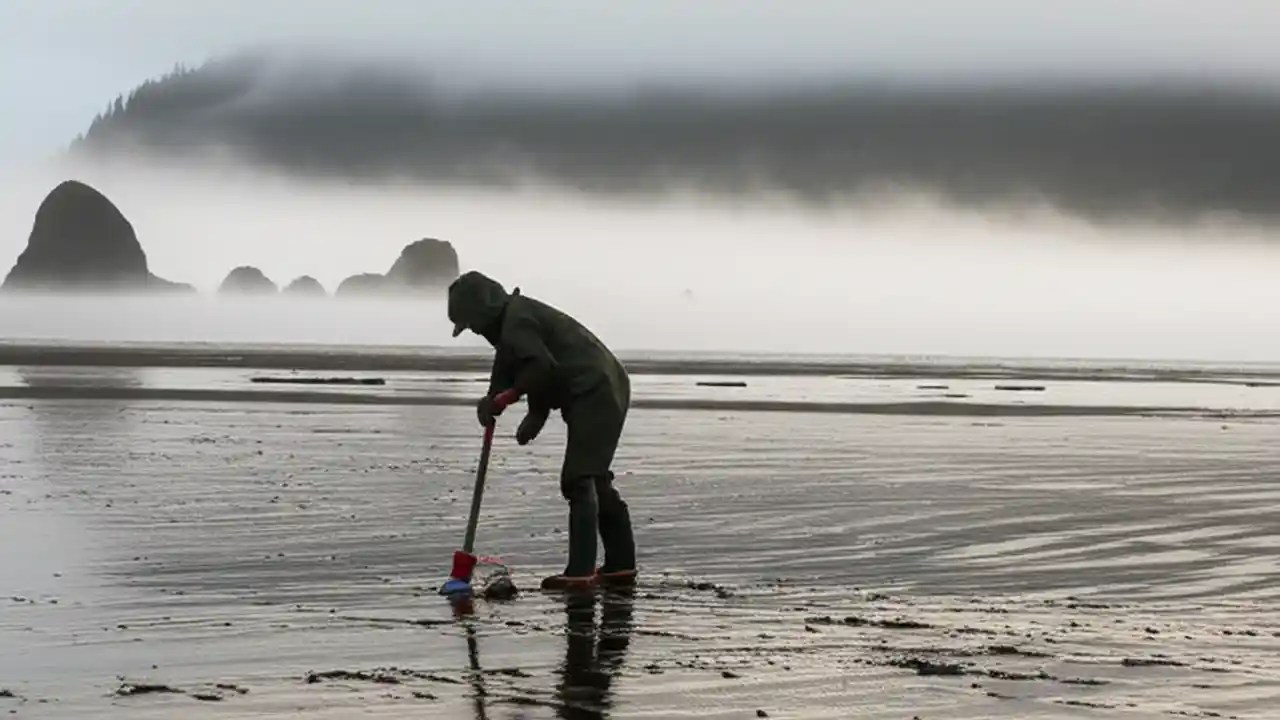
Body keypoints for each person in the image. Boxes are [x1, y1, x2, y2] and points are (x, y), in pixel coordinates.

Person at [447, 270, 636, 590]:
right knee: (595, 478)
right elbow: (511, 369)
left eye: (472, 323)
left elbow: (541, 367)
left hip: (595, 389)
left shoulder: (516, 322)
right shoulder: (511, 323)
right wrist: (493, 401)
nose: (475, 331)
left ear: (484, 310)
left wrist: (510, 401)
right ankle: (620, 565)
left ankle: (580, 572)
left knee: (579, 478)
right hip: (603, 384)